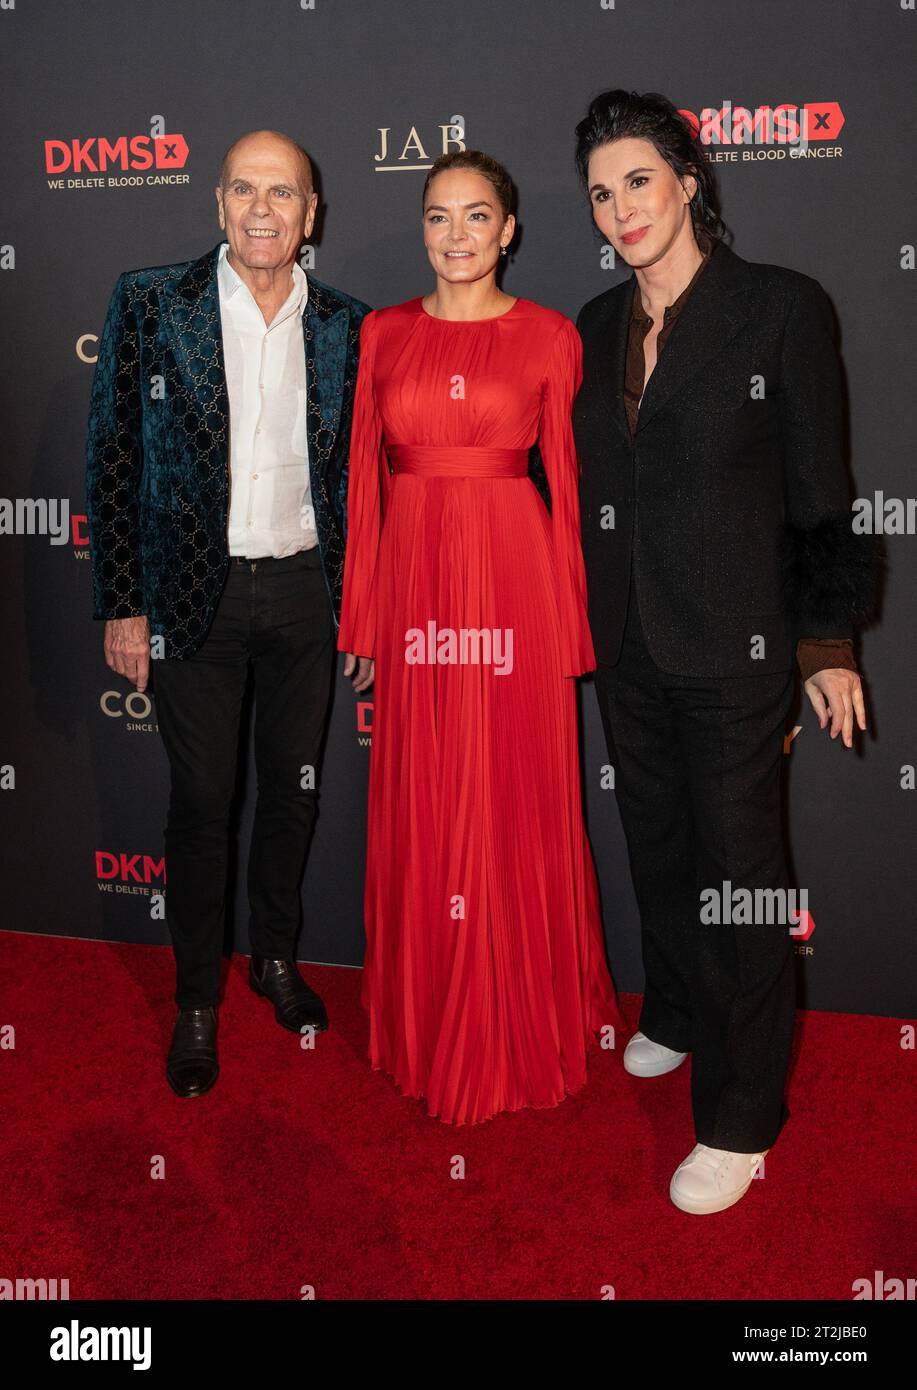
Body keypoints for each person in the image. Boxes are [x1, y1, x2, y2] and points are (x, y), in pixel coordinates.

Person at [572, 90, 881, 1212]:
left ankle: (744, 1115)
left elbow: (820, 492)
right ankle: (679, 1009)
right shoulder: (594, 326)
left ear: (689, 180)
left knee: (741, 882)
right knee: (657, 849)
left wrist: (824, 644)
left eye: (638, 181)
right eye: (601, 193)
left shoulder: (778, 310)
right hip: (630, 645)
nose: (620, 208)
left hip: (737, 652)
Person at [337, 150, 624, 1125]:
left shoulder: (548, 337)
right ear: (420, 227)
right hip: (416, 582)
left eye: (475, 217)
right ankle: (429, 1009)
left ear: (508, 230)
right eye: (436, 216)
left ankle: (520, 1013)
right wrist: (363, 616)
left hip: (512, 584)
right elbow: (363, 487)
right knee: (426, 791)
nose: (454, 236)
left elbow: (574, 492)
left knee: (506, 795)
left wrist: (571, 629)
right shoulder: (379, 333)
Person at [85, 130, 373, 1098]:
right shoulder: (147, 301)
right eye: (244, 189)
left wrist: (364, 605)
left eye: (282, 192)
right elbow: (113, 457)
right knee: (203, 806)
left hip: (302, 592)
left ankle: (276, 958)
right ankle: (197, 999)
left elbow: (363, 484)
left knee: (292, 794)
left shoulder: (346, 324)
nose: (262, 208)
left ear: (311, 212)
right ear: (217, 204)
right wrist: (123, 604)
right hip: (189, 595)